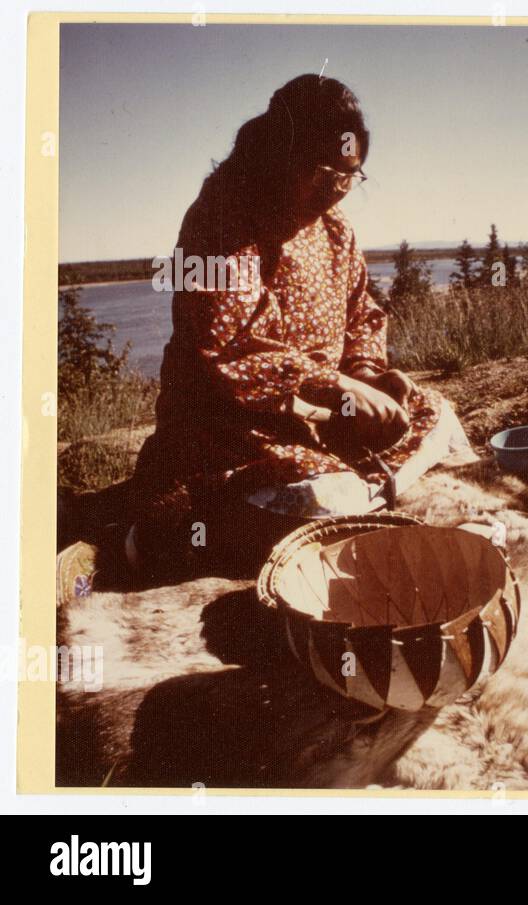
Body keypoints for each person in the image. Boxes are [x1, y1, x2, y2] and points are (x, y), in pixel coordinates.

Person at [110, 73, 467, 581]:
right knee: (323, 497)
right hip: (229, 428)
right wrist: (334, 384)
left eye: (352, 175)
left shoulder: (334, 226)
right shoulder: (220, 216)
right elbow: (229, 343)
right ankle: (176, 518)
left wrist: (366, 375)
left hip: (318, 418)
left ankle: (318, 507)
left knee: (437, 416)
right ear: (282, 153)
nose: (338, 189)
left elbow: (360, 309)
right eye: (327, 171)